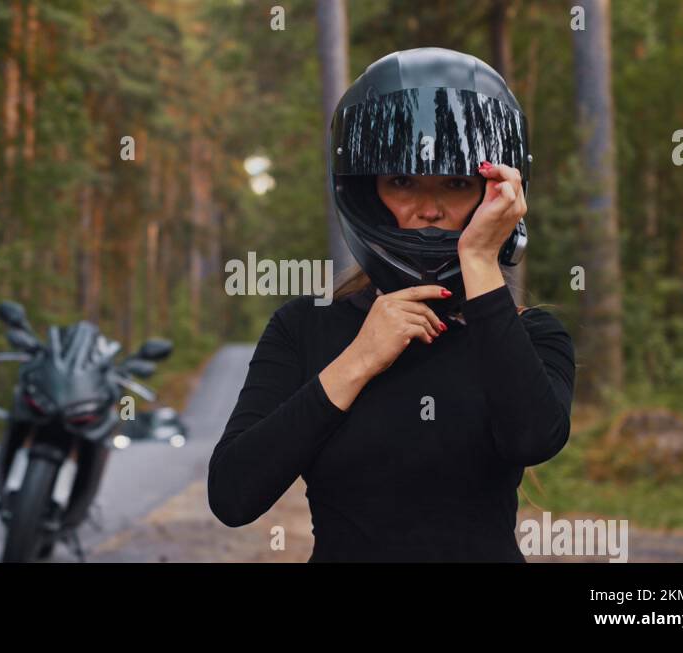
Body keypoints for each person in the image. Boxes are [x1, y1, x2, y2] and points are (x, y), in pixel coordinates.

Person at [208, 47, 575, 562]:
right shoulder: (305, 327)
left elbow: (532, 439)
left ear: (492, 193)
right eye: (402, 182)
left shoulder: (530, 334)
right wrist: (360, 359)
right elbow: (233, 495)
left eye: (456, 184)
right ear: (366, 191)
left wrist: (478, 259)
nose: (429, 209)